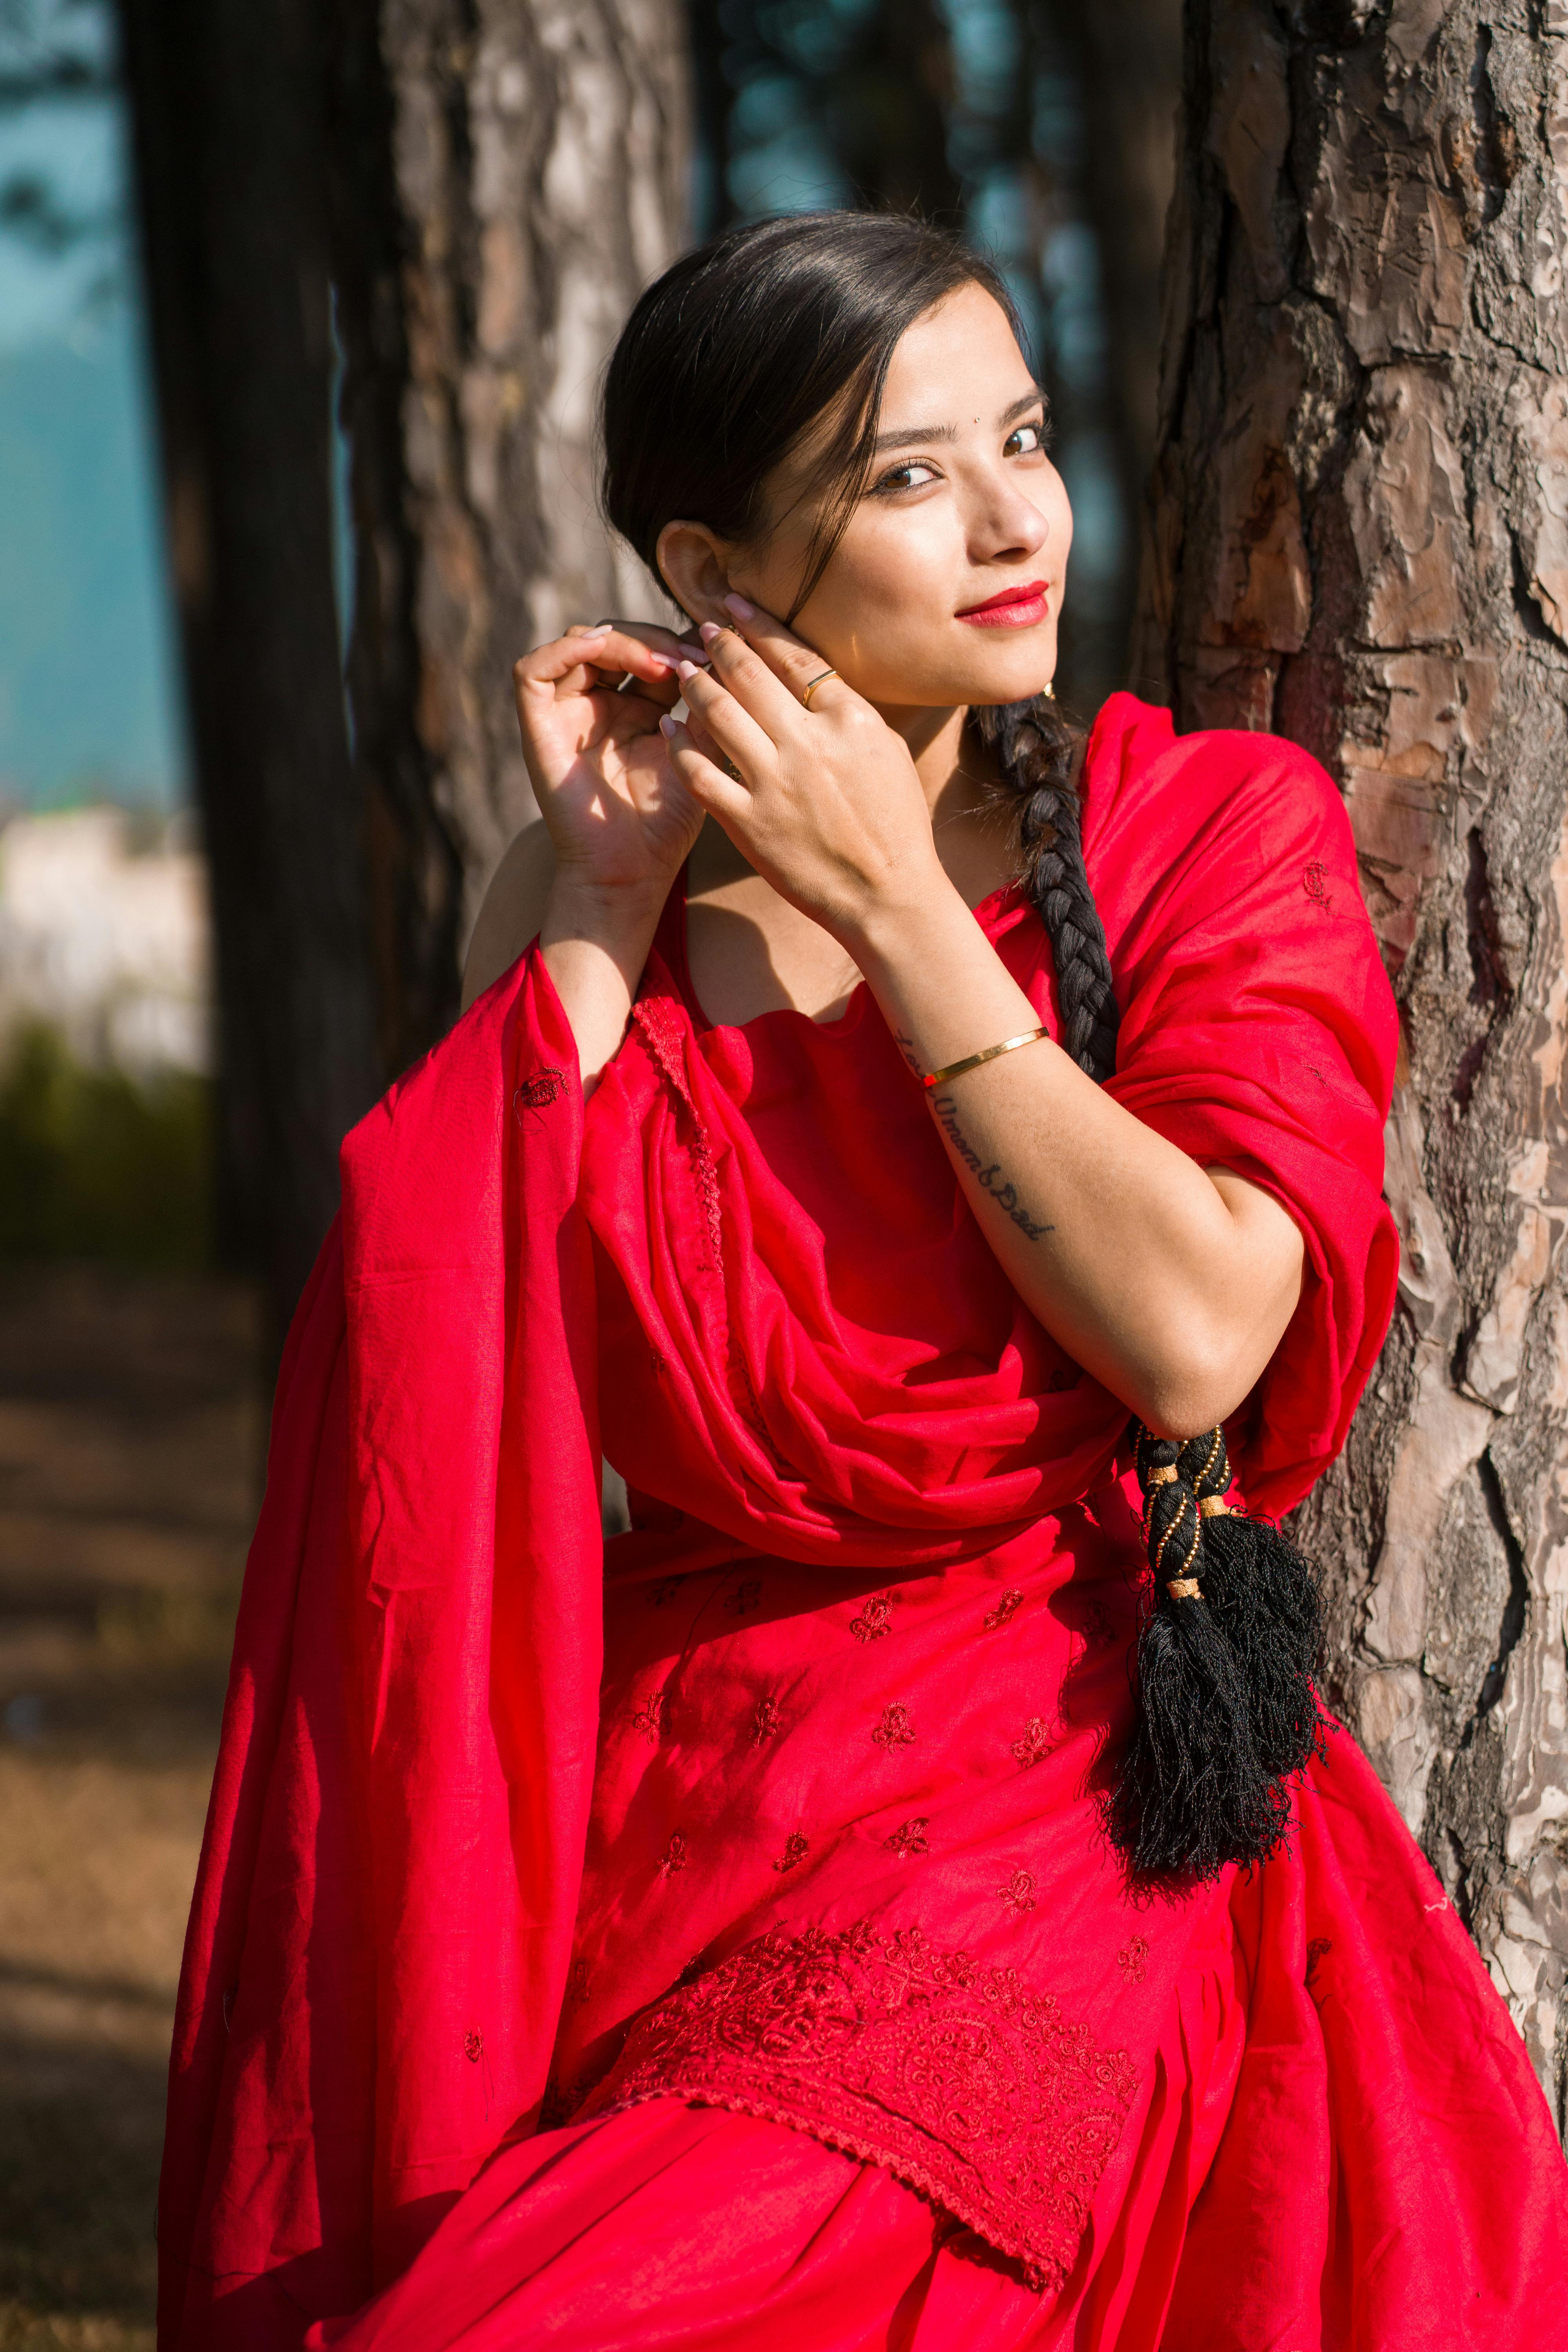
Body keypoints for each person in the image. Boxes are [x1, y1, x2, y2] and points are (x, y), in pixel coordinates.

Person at [157, 212, 1568, 2351]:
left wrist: (902, 915)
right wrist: (596, 908)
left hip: (1052, 1814)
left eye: (1024, 436)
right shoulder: (600, 896)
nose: (1018, 519)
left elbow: (1201, 1331)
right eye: (912, 475)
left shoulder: (1206, 832)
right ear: (712, 570)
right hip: (665, 1824)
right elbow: (451, 1369)